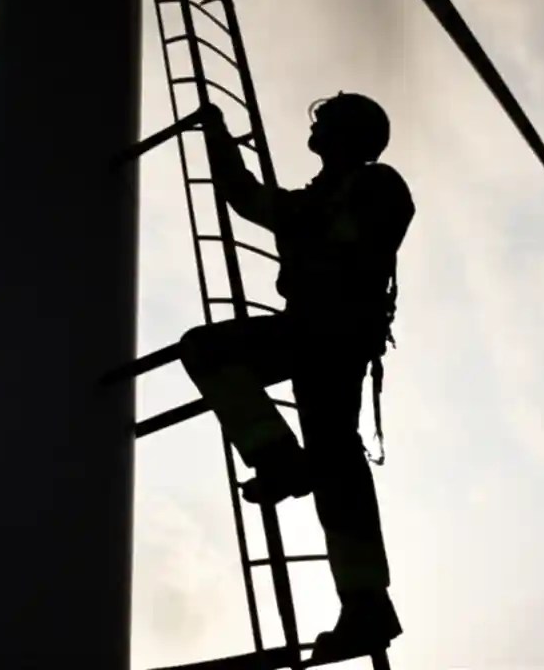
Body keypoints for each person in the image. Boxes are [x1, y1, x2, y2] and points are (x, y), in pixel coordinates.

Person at [177, 91, 414, 660]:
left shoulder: (377, 186)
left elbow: (343, 235)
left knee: (338, 464)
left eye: (328, 122)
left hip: (334, 335)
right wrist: (218, 138)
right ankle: (282, 461)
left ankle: (366, 605)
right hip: (308, 329)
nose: (317, 127)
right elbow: (251, 201)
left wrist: (309, 222)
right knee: (209, 351)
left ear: (352, 136)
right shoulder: (327, 195)